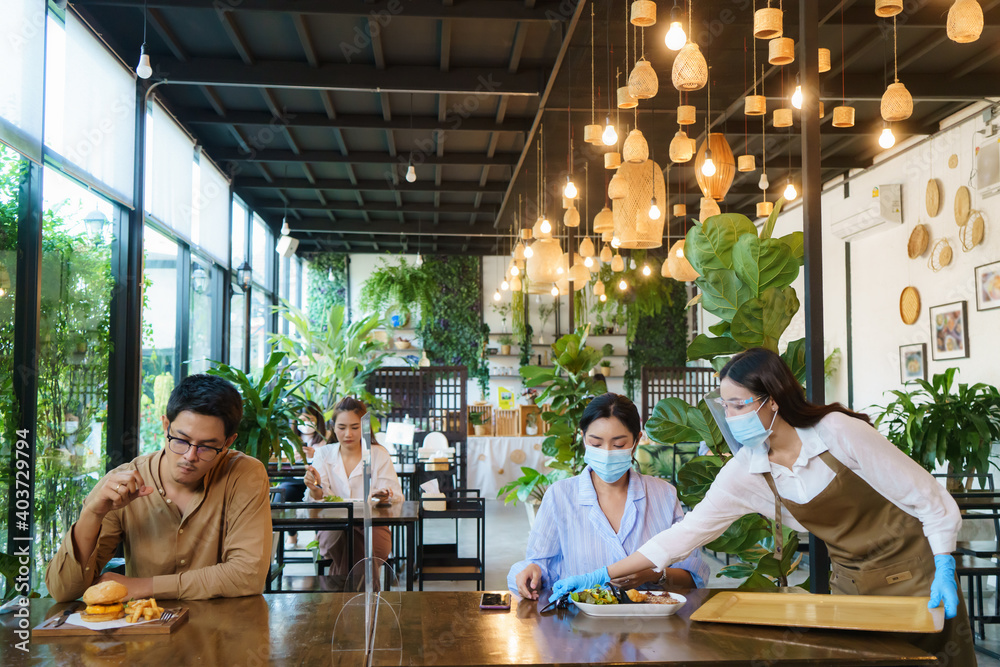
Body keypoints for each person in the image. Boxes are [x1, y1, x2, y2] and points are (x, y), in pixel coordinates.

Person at [551, 348, 975, 664]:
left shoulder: (837, 432)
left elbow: (930, 497)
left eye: (739, 404)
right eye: (726, 406)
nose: (731, 415)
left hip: (918, 575)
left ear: (772, 399)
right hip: (852, 584)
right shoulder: (748, 469)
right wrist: (602, 574)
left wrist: (943, 563)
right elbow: (685, 534)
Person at [46, 374, 272, 601]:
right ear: (166, 426)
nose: (190, 456)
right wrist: (92, 513)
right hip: (143, 624)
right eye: (181, 440)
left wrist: (144, 587)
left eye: (206, 447)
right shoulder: (122, 482)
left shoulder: (244, 475)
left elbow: (247, 575)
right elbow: (63, 591)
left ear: (228, 442)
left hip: (220, 624)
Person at [508, 393, 709, 600]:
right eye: (596, 444)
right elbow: (539, 565)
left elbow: (693, 577)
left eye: (618, 445)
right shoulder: (560, 496)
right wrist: (531, 572)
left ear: (636, 441)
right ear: (583, 438)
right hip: (578, 618)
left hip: (649, 619)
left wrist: (653, 575)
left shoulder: (663, 495)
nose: (606, 453)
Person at [304, 396, 402, 574]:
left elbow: (395, 494)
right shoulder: (323, 454)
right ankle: (366, 592)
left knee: (357, 543)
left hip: (373, 526)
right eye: (342, 427)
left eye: (355, 427)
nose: (348, 434)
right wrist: (314, 488)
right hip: (334, 527)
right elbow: (317, 497)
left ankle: (338, 590)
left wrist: (384, 495)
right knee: (354, 542)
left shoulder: (379, 454)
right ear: (333, 427)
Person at [277, 406, 328, 549]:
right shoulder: (289, 439)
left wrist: (315, 455)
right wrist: (293, 458)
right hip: (293, 481)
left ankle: (319, 535)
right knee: (281, 495)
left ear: (318, 420)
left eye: (311, 419)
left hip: (318, 481)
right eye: (303, 419)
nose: (306, 423)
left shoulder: (326, 438)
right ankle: (291, 534)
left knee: (321, 497)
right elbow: (281, 463)